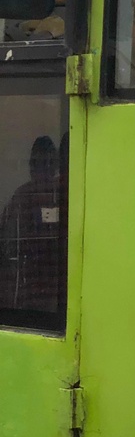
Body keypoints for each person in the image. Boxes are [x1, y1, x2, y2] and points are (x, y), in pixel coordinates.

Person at [0, 135, 65, 317]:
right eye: (39, 164)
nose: (45, 169)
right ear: (31, 167)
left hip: (60, 284)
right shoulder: (22, 197)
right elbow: (6, 241)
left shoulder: (66, 196)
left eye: (50, 163)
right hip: (28, 286)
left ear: (56, 166)